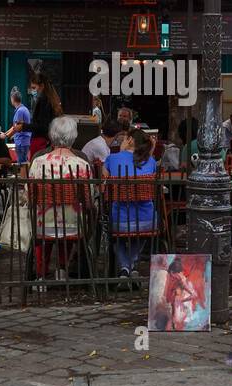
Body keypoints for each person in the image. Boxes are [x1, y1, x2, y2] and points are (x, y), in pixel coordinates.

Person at [27, 115, 93, 278]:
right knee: (71, 216)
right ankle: (62, 268)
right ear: (74, 136)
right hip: (73, 225)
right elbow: (89, 199)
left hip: (42, 224)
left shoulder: (38, 162)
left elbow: (29, 197)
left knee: (43, 222)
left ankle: (41, 274)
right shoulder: (82, 164)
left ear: (52, 135)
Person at [102, 127, 157, 277]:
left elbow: (103, 182)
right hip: (146, 220)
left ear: (130, 140)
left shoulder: (112, 158)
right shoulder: (151, 161)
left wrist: (120, 151)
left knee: (116, 238)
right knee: (140, 234)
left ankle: (125, 267)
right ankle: (131, 264)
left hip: (120, 219)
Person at [28, 71, 62, 159]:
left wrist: (23, 126)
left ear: (42, 86)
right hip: (49, 141)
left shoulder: (43, 101)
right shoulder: (53, 101)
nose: (32, 91)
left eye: (34, 87)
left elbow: (42, 126)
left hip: (40, 142)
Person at [0, 88, 32, 165]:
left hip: (21, 141)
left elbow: (16, 127)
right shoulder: (24, 109)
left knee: (22, 164)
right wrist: (6, 133)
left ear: (12, 99)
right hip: (24, 141)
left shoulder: (20, 111)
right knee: (24, 163)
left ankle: (23, 177)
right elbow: (14, 126)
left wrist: (5, 136)